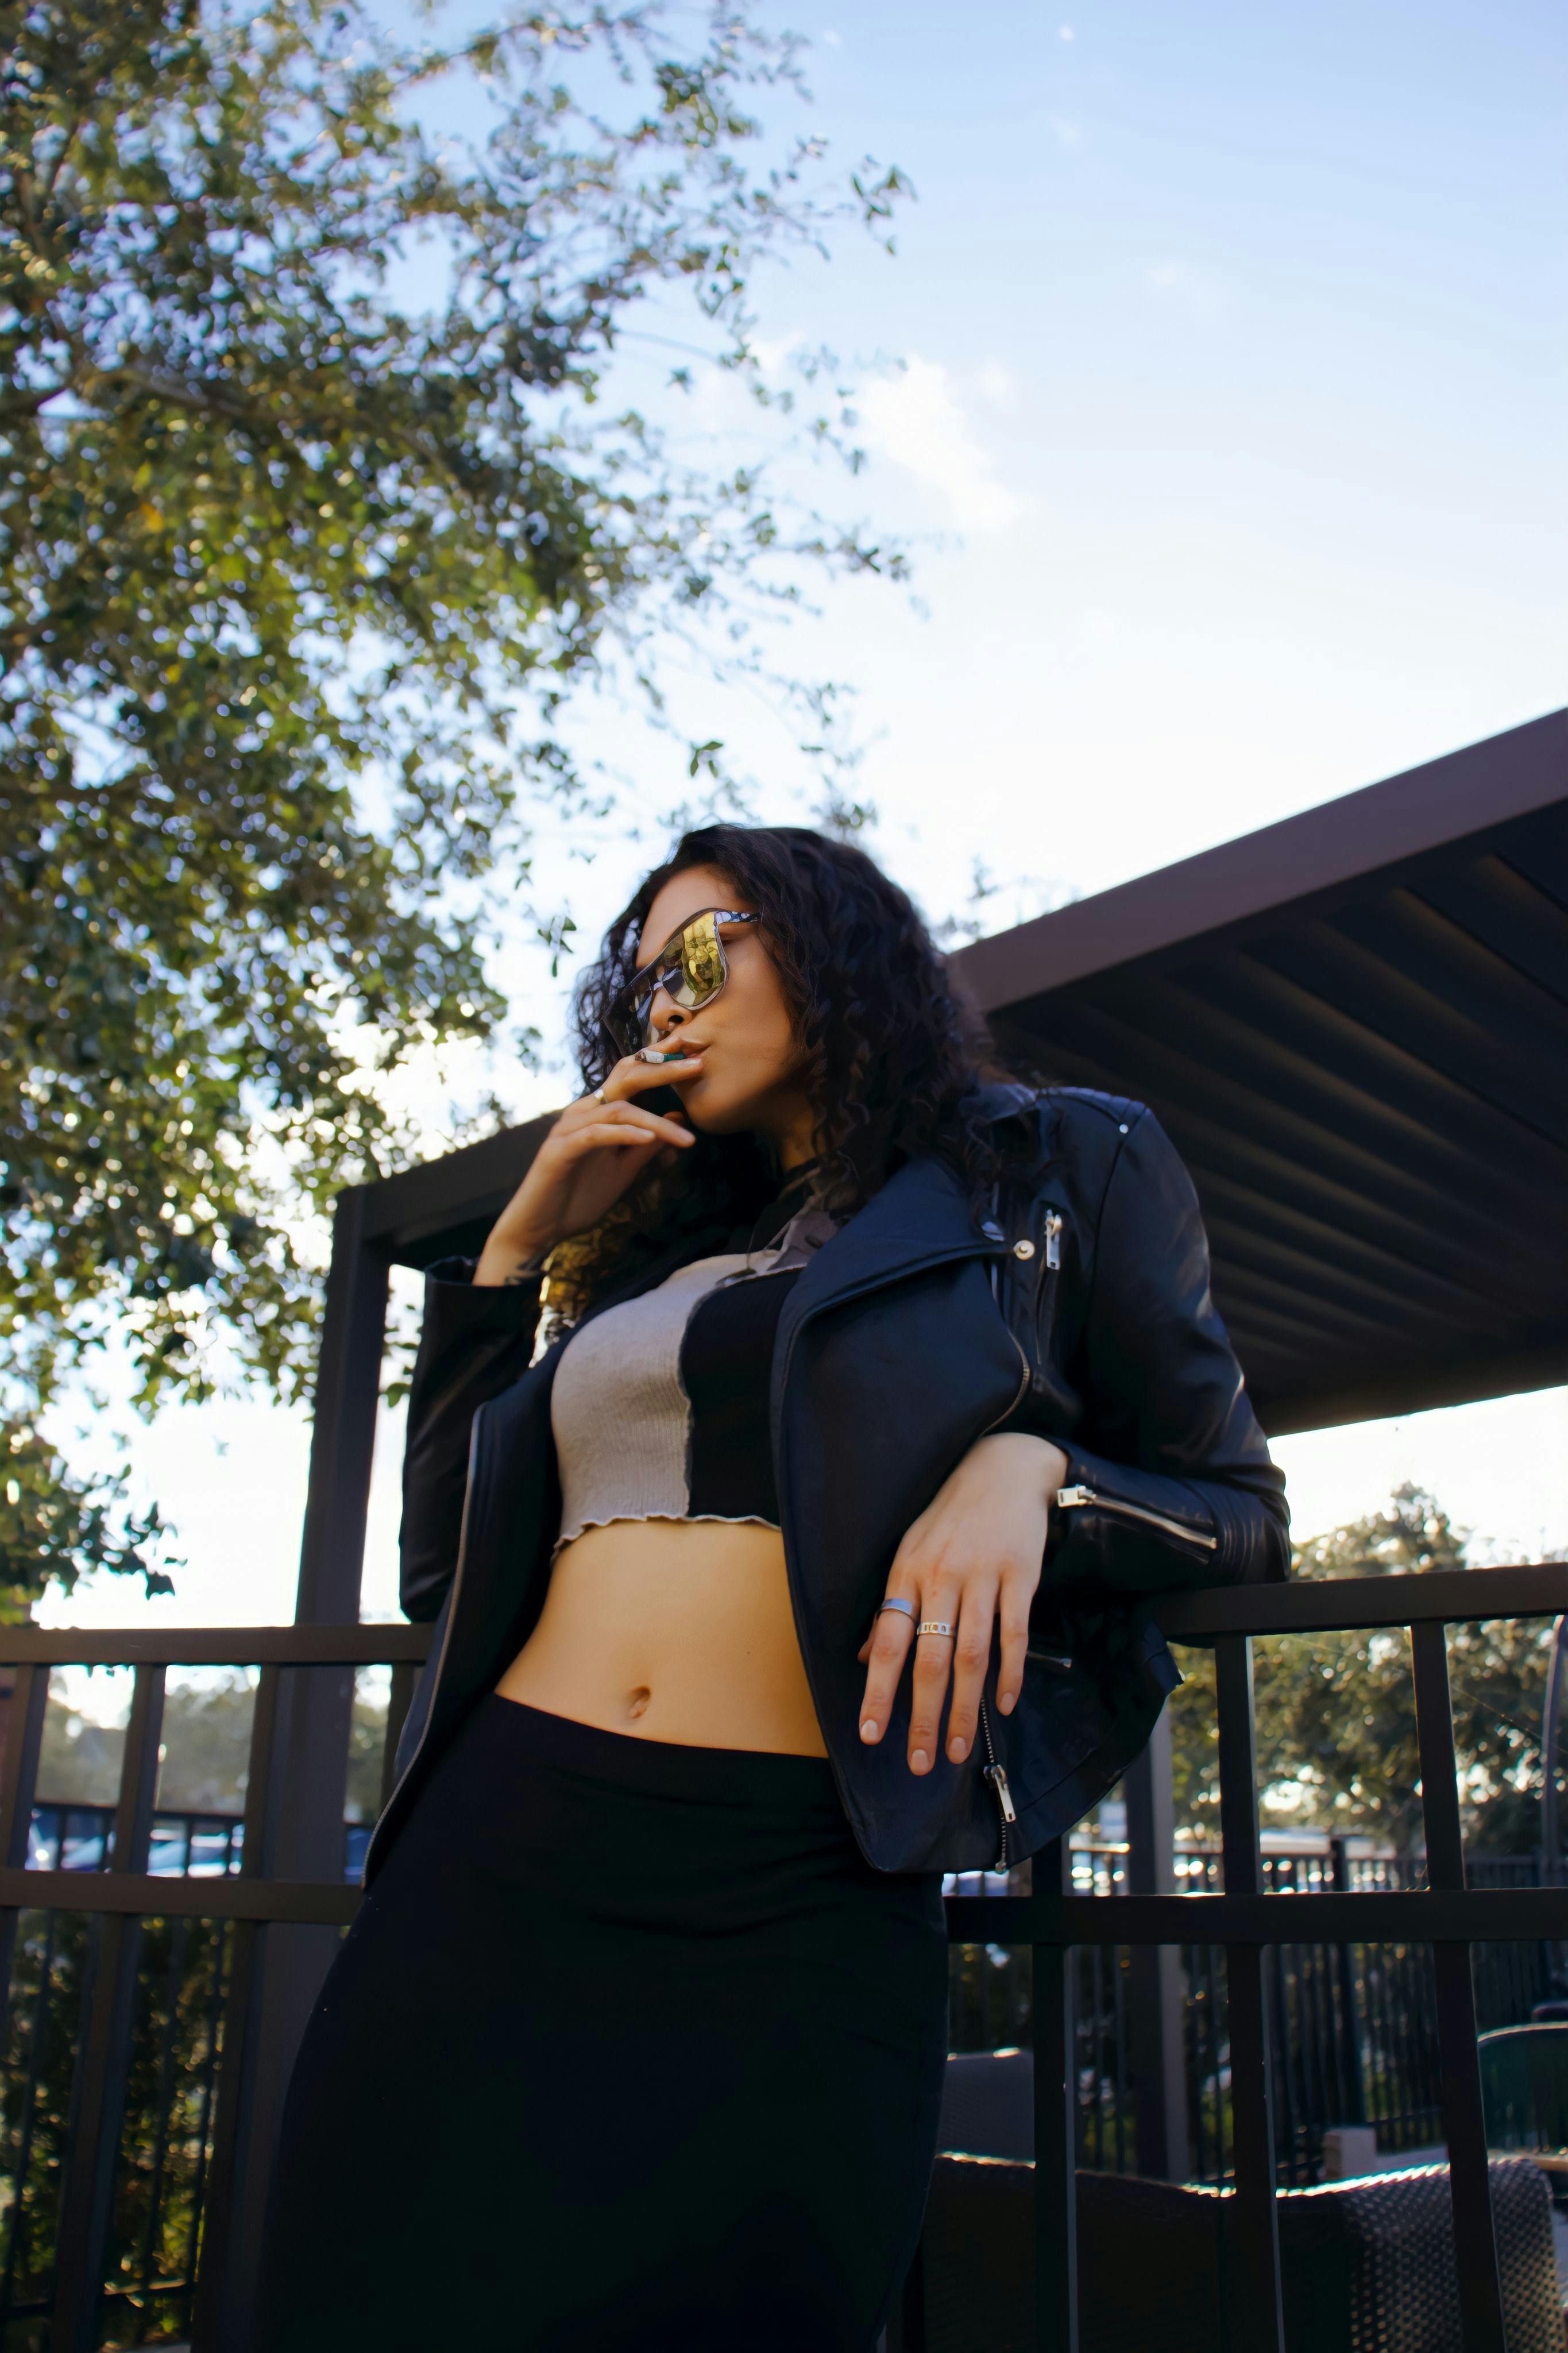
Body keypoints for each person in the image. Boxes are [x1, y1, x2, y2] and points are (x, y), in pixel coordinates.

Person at [258, 824, 1288, 2350]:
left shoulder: (1056, 1163)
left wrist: (1034, 1476)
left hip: (797, 1875)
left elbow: (1237, 1508)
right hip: (501, 1852)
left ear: (827, 943)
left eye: (696, 954)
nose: (659, 1010)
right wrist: (520, 1248)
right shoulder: (638, 1258)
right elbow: (440, 1565)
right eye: (634, 990)